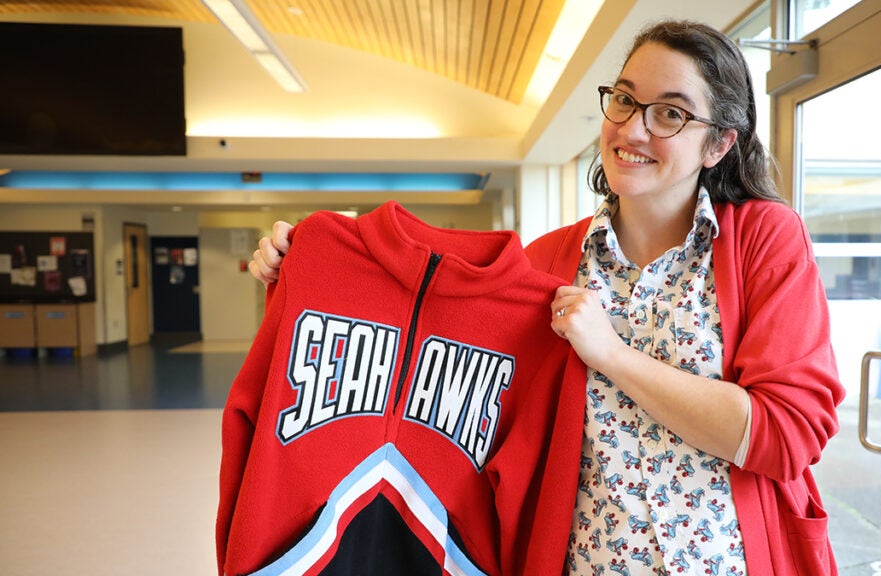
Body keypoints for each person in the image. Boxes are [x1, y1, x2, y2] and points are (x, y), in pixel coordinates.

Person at [249, 19, 845, 576]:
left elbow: (787, 434)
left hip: (729, 560)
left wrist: (611, 355)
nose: (634, 129)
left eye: (670, 114)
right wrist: (310, 265)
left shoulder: (763, 237)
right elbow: (429, 329)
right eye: (626, 100)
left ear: (717, 145)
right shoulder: (547, 262)